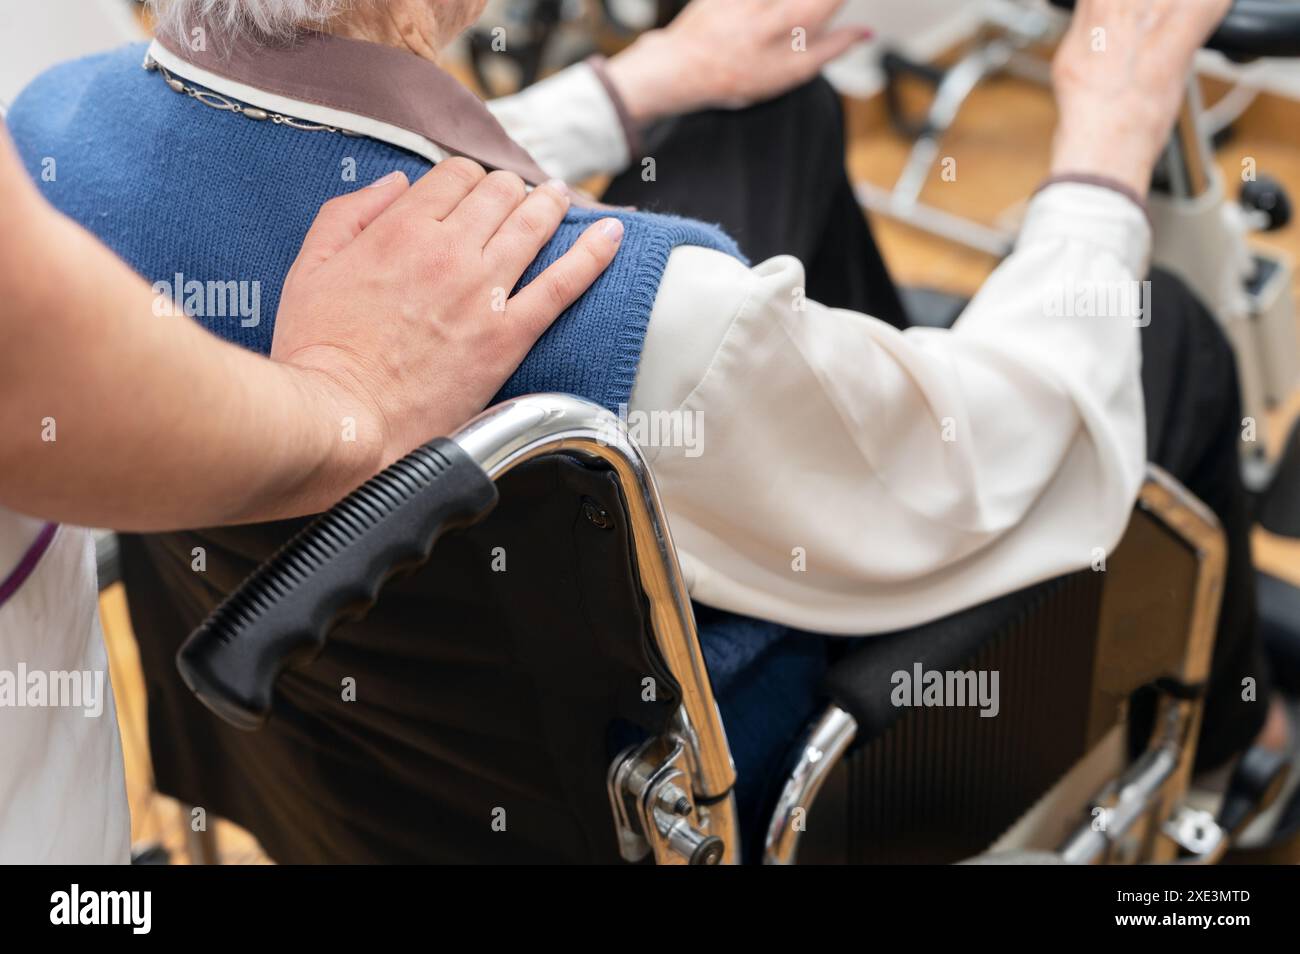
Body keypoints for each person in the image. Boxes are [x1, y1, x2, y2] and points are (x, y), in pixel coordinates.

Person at [7, 0, 1287, 846]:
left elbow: (302, 136)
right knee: (1156, 327)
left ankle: (840, 420)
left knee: (760, 113)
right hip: (728, 768)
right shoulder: (654, 330)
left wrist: (642, 87)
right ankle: (1239, 753)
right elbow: (1018, 438)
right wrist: (1103, 134)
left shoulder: (53, 135)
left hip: (335, 774)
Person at [0, 124, 623, 862]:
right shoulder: (648, 318)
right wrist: (347, 400)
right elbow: (23, 365)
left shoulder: (65, 130)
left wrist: (612, 101)